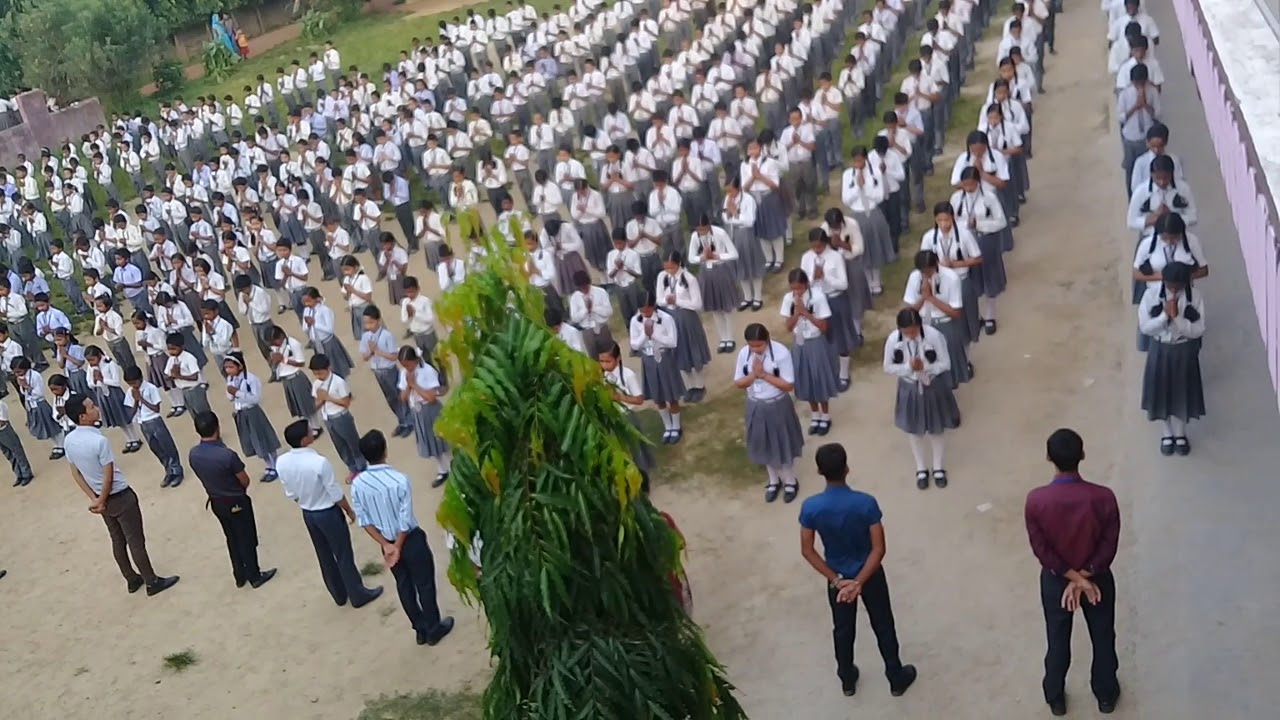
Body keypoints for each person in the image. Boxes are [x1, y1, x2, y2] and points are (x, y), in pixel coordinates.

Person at [800, 442, 918, 698]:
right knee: (883, 623)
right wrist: (860, 581)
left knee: (842, 629)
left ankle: (847, 679)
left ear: (820, 471)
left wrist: (839, 580)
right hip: (870, 572)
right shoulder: (865, 503)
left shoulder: (811, 508)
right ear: (847, 468)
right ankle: (895, 676)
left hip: (838, 577)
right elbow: (878, 548)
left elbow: (808, 550)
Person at [1024, 429, 1122, 716]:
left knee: (1057, 640)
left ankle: (1055, 696)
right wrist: (1085, 577)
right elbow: (1109, 543)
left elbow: (1041, 550)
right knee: (1103, 636)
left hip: (1056, 580)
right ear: (1082, 455)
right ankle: (1105, 695)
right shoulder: (1103, 497)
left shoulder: (1036, 501)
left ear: (1048, 457)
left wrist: (1071, 578)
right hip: (1098, 578)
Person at [63, 394, 179, 596]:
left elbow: (76, 473)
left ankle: (131, 579)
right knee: (135, 541)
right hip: (119, 496)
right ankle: (151, 581)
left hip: (101, 498)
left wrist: (95, 498)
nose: (96, 408)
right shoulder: (99, 440)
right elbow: (108, 476)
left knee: (117, 540)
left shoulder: (69, 440)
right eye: (91, 407)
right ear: (83, 416)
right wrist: (101, 498)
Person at [351, 430, 455, 646]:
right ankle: (434, 628)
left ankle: (420, 628)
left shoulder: (358, 484)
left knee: (404, 586)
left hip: (386, 543)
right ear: (385, 450)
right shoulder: (399, 480)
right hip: (410, 541)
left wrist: (386, 545)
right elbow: (405, 519)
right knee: (424, 584)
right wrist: (397, 545)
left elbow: (364, 520)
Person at [276, 420, 383, 608]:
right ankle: (357, 594)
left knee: (324, 554)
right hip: (327, 512)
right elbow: (335, 493)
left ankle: (338, 594)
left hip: (308, 512)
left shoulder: (282, 462)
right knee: (343, 553)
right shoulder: (319, 462)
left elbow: (291, 493)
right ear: (304, 440)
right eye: (309, 432)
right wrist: (348, 510)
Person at [188, 411, 277, 589]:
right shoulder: (227, 455)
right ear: (217, 427)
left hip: (216, 501)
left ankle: (239, 575)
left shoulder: (194, 454)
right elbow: (244, 479)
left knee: (231, 537)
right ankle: (254, 575)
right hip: (235, 500)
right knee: (246, 537)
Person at [882, 308, 961, 489]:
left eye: (913, 330)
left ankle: (938, 466)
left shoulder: (934, 336)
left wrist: (924, 367)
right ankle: (921, 467)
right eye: (906, 332)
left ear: (920, 325)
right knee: (914, 429)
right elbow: (887, 366)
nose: (910, 335)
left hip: (932, 384)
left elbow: (945, 363)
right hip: (909, 386)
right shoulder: (894, 340)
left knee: (936, 427)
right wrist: (909, 368)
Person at [1138, 261, 1206, 455]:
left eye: (1179, 287)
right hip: (1160, 346)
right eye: (1171, 286)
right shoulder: (1151, 296)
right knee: (1161, 393)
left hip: (1183, 347)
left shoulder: (1196, 297)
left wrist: (1178, 318)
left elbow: (1199, 329)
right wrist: (1164, 318)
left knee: (1182, 392)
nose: (1174, 290)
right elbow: (1145, 327)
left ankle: (1180, 433)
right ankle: (1166, 432)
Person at [733, 323, 804, 504]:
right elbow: (739, 383)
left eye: (759, 345)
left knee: (782, 443)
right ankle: (773, 480)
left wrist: (764, 375)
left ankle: (790, 481)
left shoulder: (781, 353)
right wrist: (754, 376)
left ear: (767, 340)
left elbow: (788, 385)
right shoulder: (744, 354)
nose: (756, 349)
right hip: (755, 404)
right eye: (752, 346)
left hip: (777, 403)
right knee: (762, 443)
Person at [122, 365, 185, 488]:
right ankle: (168, 471)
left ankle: (177, 471)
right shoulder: (130, 392)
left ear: (140, 379)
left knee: (167, 446)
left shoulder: (150, 388)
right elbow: (131, 413)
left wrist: (141, 399)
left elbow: (156, 409)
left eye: (134, 382)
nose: (133, 386)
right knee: (156, 449)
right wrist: (135, 400)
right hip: (143, 423)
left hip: (154, 420)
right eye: (130, 384)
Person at [0, 396, 34, 486]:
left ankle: (26, 473)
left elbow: (2, 421)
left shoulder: (1, 405)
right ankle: (19, 474)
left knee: (16, 451)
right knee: (8, 454)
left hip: (4, 431)